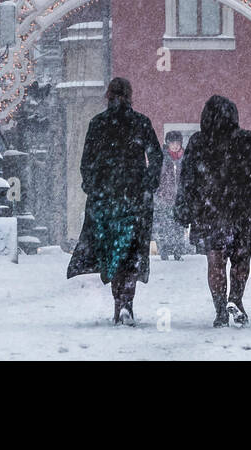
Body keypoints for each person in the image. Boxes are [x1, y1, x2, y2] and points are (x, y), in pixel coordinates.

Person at [67, 77, 163, 326]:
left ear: (108, 96)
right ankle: (126, 303)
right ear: (130, 96)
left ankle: (118, 303)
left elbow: (86, 161)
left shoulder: (98, 124)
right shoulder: (140, 123)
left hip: (107, 198)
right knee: (131, 252)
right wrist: (148, 184)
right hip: (134, 198)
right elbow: (155, 156)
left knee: (113, 252)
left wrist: (93, 186)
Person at [175, 96, 251, 327]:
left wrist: (184, 207)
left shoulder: (198, 142)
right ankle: (235, 299)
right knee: (241, 258)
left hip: (210, 211)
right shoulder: (246, 140)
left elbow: (187, 179)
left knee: (215, 260)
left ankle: (220, 309)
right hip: (240, 210)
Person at [155, 130, 186, 260]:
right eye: (171, 143)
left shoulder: (185, 158)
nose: (174, 145)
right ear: (167, 144)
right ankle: (164, 251)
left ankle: (178, 251)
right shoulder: (162, 158)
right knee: (164, 226)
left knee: (178, 226)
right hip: (164, 198)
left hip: (180, 198)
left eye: (177, 143)